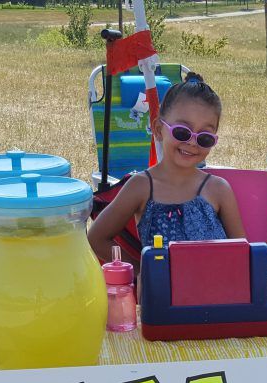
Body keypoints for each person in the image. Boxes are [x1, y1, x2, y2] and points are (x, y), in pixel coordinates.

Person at [88, 72, 245, 262]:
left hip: (216, 289)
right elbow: (96, 238)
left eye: (204, 137)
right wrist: (141, 272)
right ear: (158, 129)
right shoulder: (141, 186)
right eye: (181, 132)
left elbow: (241, 254)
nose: (192, 143)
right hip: (163, 292)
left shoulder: (219, 189)